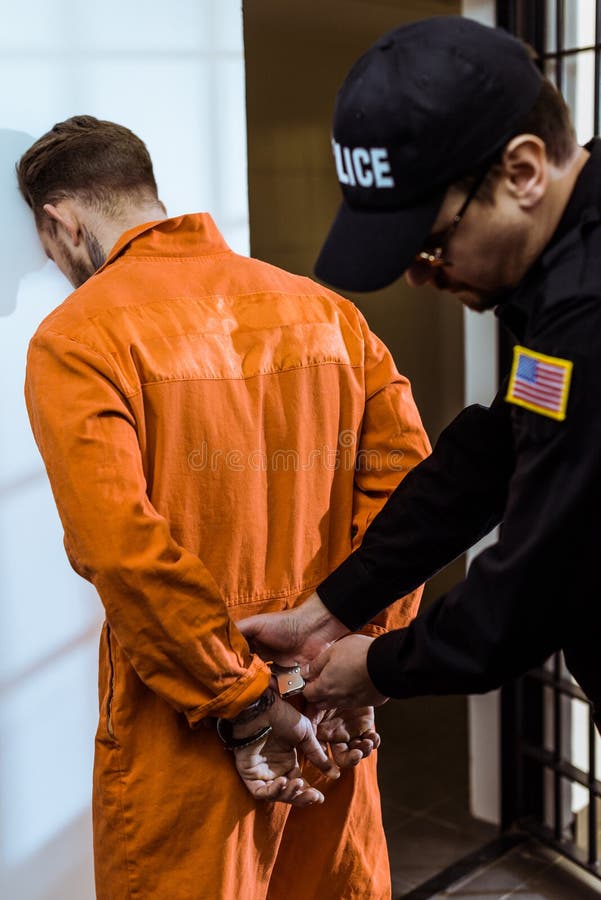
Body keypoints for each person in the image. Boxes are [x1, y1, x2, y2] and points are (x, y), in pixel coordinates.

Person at [18, 115, 430, 899]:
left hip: (189, 723)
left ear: (60, 221)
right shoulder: (324, 312)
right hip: (327, 703)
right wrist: (358, 651)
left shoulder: (78, 338)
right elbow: (408, 489)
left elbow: (122, 548)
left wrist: (242, 705)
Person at [238, 15, 601, 731]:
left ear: (522, 170)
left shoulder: (587, 312)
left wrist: (379, 668)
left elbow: (541, 572)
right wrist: (331, 608)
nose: (418, 277)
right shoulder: (563, 258)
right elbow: (501, 447)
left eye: (431, 246)